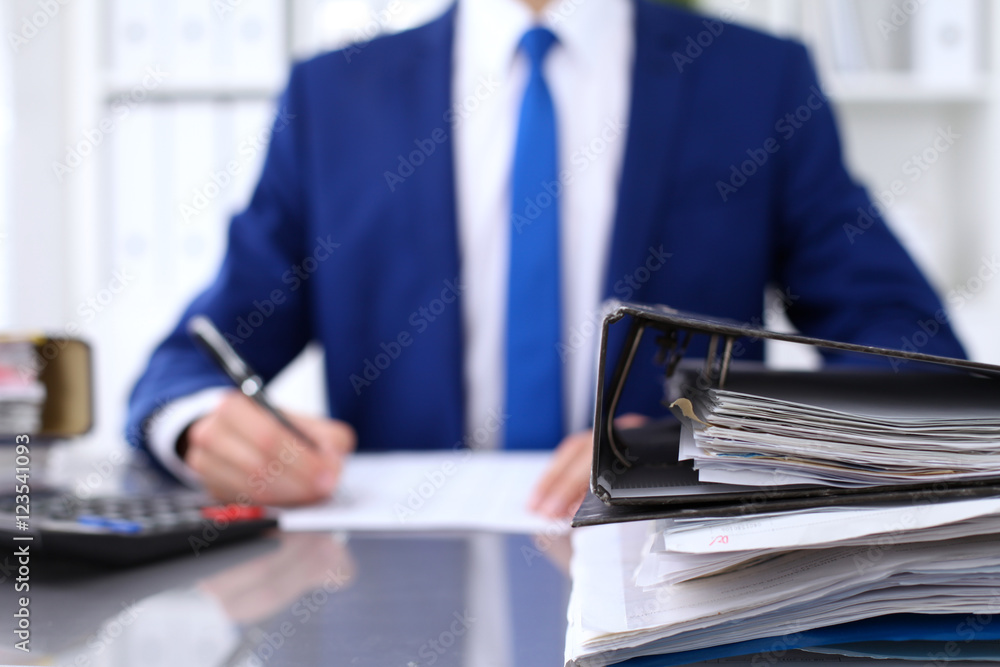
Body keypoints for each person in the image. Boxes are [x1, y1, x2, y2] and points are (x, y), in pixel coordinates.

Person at [127, 0, 966, 514]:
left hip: (681, 578)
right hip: (390, 587)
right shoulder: (336, 95)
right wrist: (201, 422)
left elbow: (923, 370)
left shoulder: (756, 80)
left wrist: (736, 440)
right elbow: (189, 361)